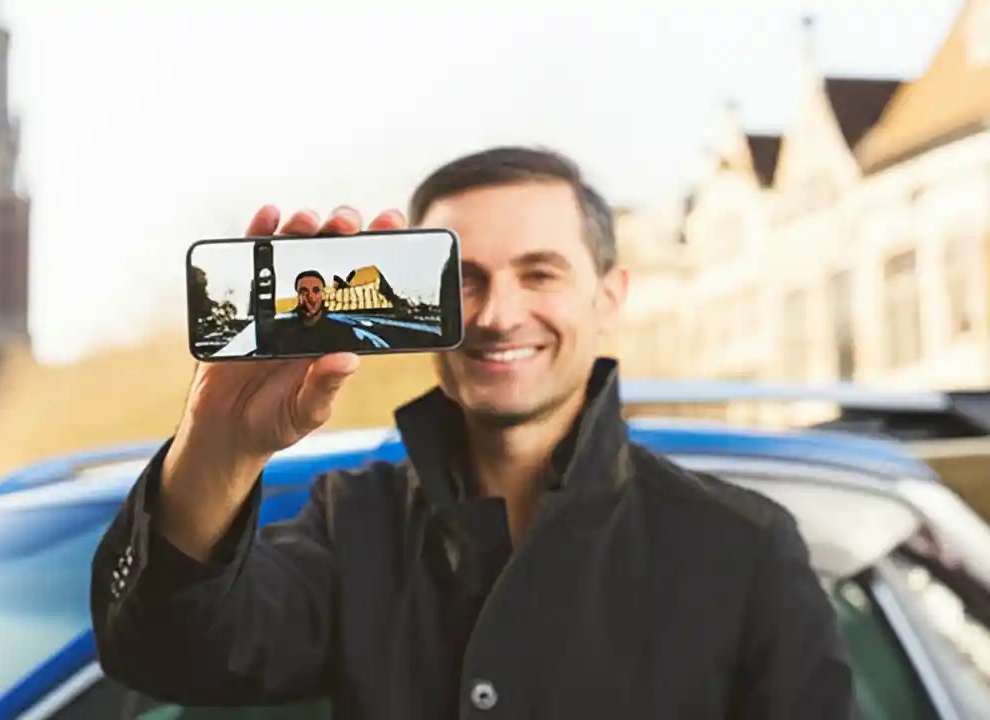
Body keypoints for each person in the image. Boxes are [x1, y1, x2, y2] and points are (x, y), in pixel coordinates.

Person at [90, 147, 854, 719]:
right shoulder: (354, 525)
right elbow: (165, 653)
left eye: (540, 273)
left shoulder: (741, 549)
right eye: (464, 280)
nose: (496, 314)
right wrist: (221, 445)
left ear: (610, 296)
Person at [268, 269, 373, 354]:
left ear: (323, 294)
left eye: (316, 291)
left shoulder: (342, 330)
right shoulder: (281, 329)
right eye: (304, 292)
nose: (311, 297)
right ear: (298, 295)